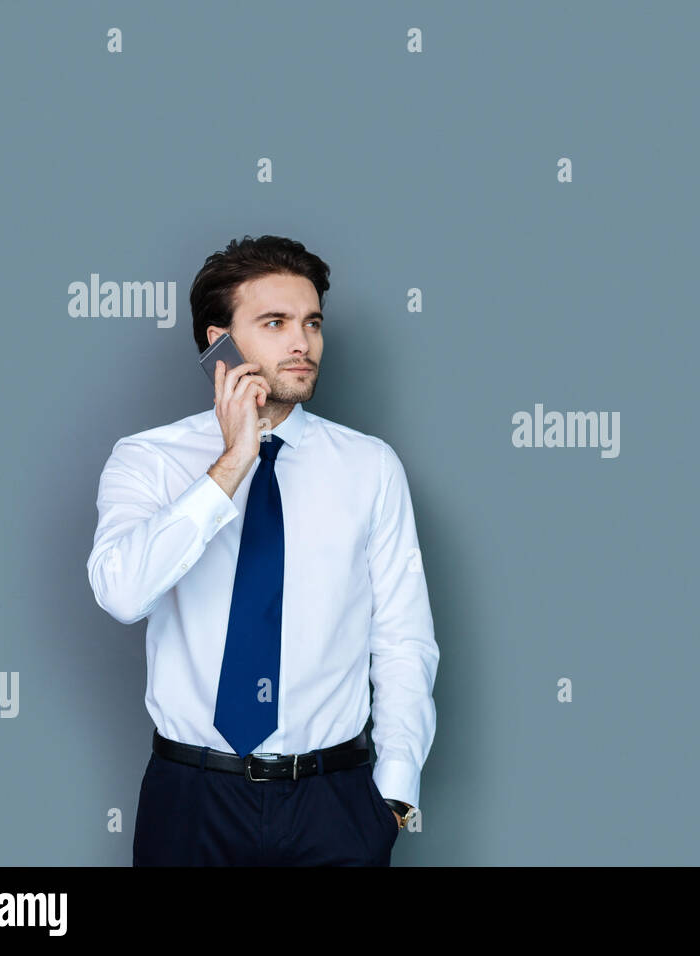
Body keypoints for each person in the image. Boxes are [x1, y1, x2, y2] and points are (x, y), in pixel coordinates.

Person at [86, 235, 438, 866]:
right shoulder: (149, 458)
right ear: (219, 343)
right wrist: (233, 464)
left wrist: (393, 794)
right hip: (192, 798)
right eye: (274, 323)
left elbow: (404, 639)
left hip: (335, 802)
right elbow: (120, 594)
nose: (301, 342)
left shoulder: (369, 466)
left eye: (311, 323)